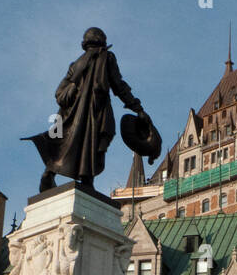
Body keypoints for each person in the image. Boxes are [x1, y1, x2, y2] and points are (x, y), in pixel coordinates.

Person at [26, 27, 147, 191]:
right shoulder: (106, 57)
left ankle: (51, 173)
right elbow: (119, 85)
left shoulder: (76, 64)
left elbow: (59, 92)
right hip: (94, 111)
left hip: (72, 112)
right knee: (96, 140)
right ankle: (86, 179)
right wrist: (137, 107)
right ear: (101, 41)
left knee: (69, 143)